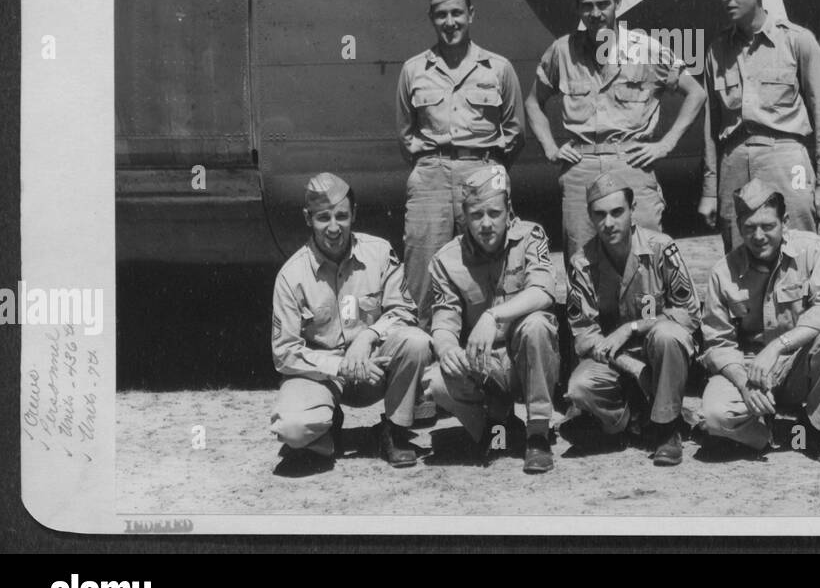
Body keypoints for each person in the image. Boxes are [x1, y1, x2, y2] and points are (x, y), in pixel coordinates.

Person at [526, 0, 705, 260]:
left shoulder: (645, 49)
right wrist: (550, 147)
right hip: (581, 168)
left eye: (603, 4)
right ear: (577, 8)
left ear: (618, 3)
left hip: (631, 164)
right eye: (587, 6)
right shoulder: (562, 52)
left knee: (646, 257)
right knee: (581, 260)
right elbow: (533, 102)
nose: (595, 13)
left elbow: (696, 93)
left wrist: (666, 144)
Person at [270, 173, 434, 475]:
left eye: (342, 216)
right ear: (308, 218)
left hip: (375, 365)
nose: (334, 227)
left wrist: (368, 336)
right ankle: (326, 430)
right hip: (323, 375)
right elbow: (285, 353)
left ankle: (394, 431)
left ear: (354, 214)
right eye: (323, 218)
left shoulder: (380, 253)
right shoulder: (291, 276)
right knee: (293, 429)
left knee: (416, 341)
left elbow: (405, 311)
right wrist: (341, 366)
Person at [698, 179, 820, 463]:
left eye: (768, 226)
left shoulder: (811, 249)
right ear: (739, 227)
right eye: (749, 228)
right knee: (714, 417)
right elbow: (717, 343)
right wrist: (744, 384)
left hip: (798, 362)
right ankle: (764, 431)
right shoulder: (723, 272)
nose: (758, 236)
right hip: (750, 370)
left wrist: (777, 347)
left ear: (785, 222)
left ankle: (816, 428)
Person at [396, 0, 525, 328]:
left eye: (456, 13)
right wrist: (431, 166)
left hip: (481, 173)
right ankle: (424, 348)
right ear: (431, 19)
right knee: (422, 269)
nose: (450, 22)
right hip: (431, 179)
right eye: (441, 15)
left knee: (490, 265)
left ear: (471, 15)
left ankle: (494, 343)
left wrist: (489, 169)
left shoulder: (498, 68)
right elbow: (406, 135)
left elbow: (515, 133)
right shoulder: (413, 70)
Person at [421, 164, 564, 474]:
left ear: (508, 210)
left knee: (537, 324)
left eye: (494, 213)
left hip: (526, 358)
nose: (486, 224)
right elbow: (444, 322)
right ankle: (499, 428)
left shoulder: (530, 236)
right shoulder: (446, 259)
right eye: (476, 215)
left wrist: (492, 315)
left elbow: (543, 291)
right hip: (485, 363)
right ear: (464, 216)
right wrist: (447, 350)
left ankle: (538, 434)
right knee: (438, 380)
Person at [699, 0, 820, 253]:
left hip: (787, 162)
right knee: (739, 257)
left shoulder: (796, 40)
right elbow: (711, 127)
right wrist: (710, 190)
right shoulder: (717, 50)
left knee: (798, 252)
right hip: (734, 163)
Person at [564, 172, 701, 466]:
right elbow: (584, 334)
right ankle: (632, 421)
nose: (608, 222)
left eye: (617, 212)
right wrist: (633, 366)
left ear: (632, 210)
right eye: (599, 215)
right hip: (613, 360)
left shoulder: (661, 247)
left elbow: (689, 313)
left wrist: (633, 327)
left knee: (668, 335)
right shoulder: (582, 263)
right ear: (590, 216)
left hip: (659, 354)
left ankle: (667, 430)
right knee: (580, 387)